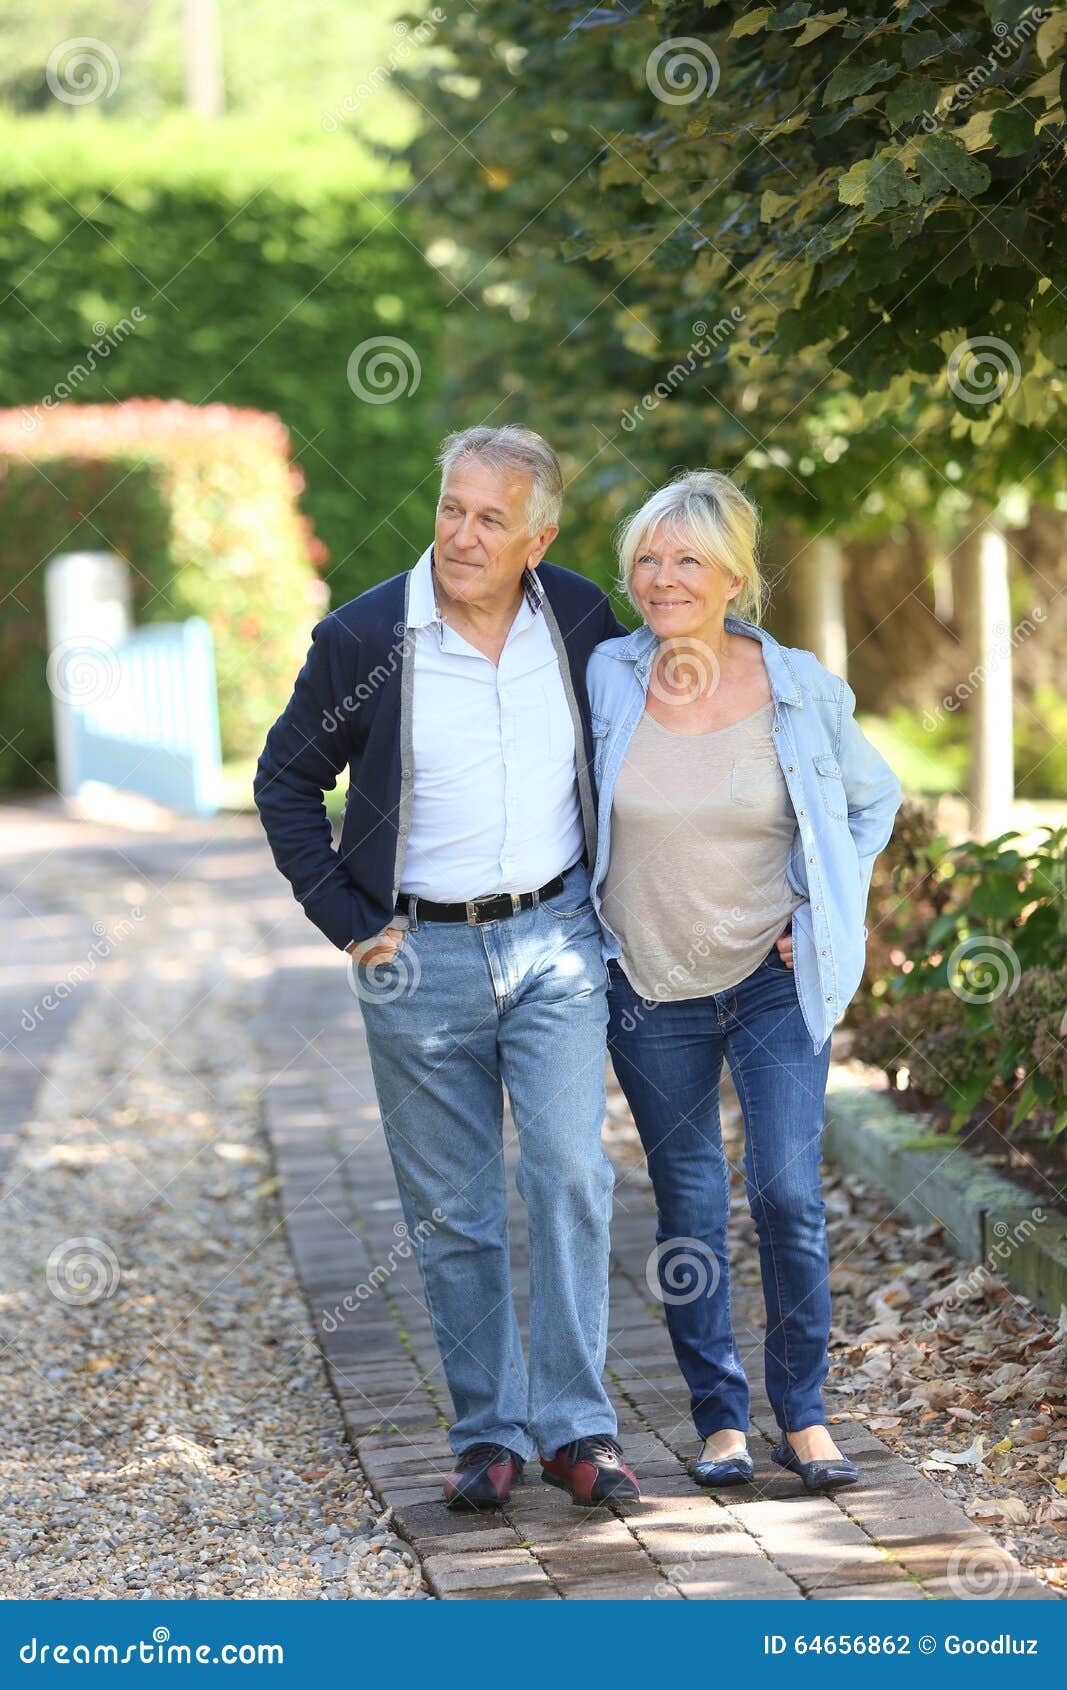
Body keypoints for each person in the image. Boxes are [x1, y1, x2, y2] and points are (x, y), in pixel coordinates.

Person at [255, 426, 640, 1511]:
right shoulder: (365, 635)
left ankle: (579, 1428)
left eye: (489, 518)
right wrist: (346, 920)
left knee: (568, 1174)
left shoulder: (575, 617)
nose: (461, 535)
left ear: (538, 537)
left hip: (555, 938)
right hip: (414, 958)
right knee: (453, 1209)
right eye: (450, 508)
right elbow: (284, 781)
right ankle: (488, 1432)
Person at [586, 469, 902, 1494]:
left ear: (730, 575)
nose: (661, 576)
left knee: (783, 1191)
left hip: (769, 976)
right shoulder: (605, 675)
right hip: (647, 981)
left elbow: (871, 798)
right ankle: (719, 1420)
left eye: (685, 558)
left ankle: (802, 1416)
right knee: (687, 1205)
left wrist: (818, 911)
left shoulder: (797, 682)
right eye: (646, 556)